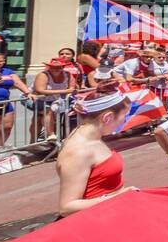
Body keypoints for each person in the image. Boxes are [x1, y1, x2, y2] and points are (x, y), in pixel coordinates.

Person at [55, 88, 136, 216]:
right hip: (96, 220)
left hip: (110, 212)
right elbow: (67, 207)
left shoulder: (92, 137)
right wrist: (117, 196)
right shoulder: (79, 151)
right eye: (124, 115)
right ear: (107, 117)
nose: (124, 121)